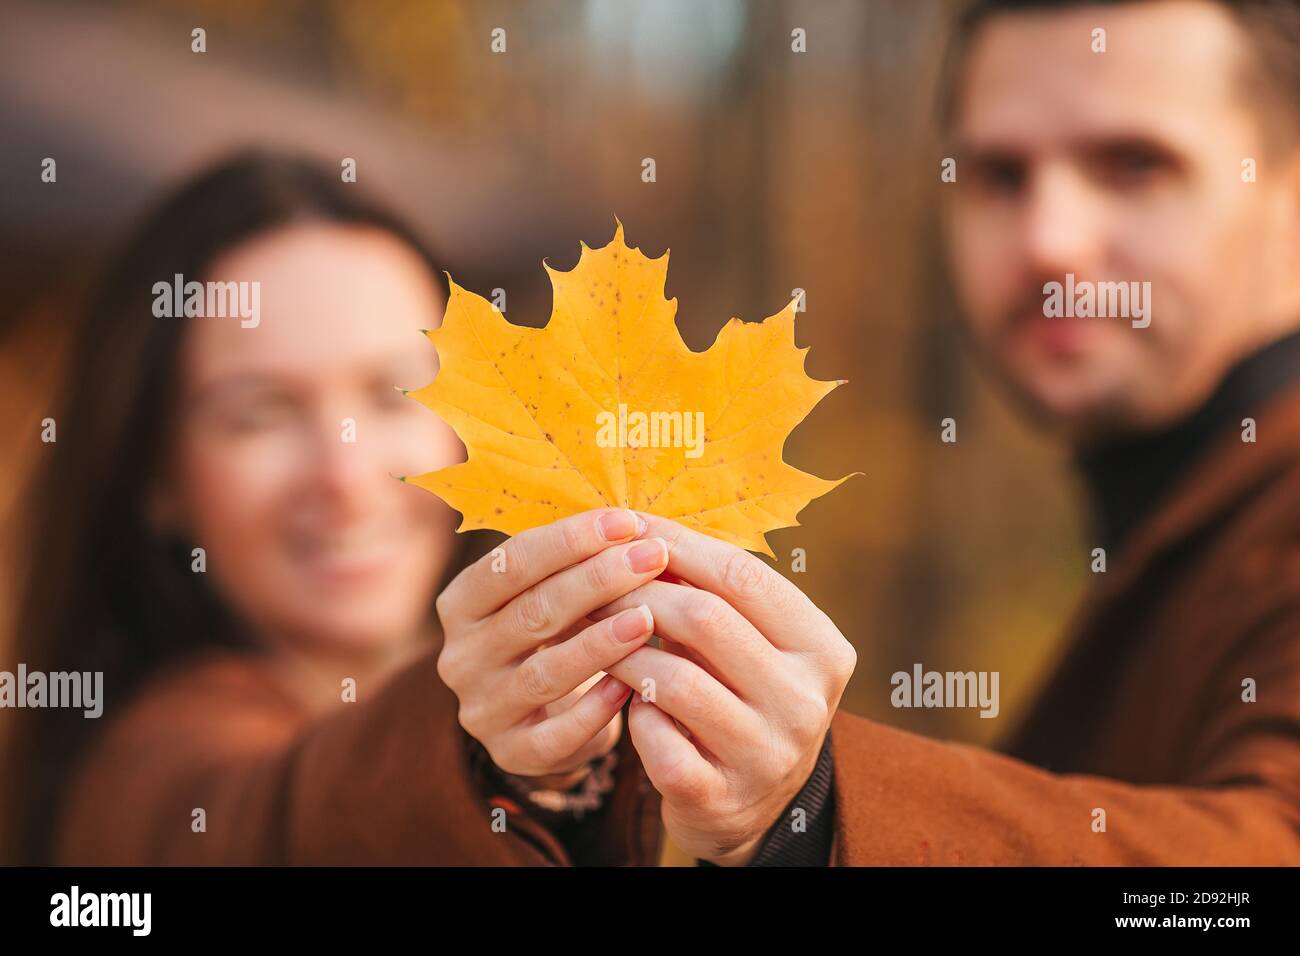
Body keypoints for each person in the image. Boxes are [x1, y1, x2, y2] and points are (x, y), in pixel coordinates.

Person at [0, 151, 841, 866]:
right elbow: (276, 820)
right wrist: (493, 764)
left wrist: (800, 815)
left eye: (396, 393)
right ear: (159, 480)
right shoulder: (144, 774)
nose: (346, 472)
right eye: (259, 412)